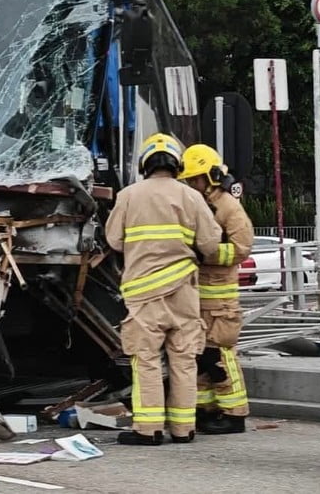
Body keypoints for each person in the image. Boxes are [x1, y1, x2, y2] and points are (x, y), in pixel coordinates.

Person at [106, 133, 224, 446]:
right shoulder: (192, 197)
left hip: (144, 293)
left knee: (145, 360)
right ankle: (184, 430)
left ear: (145, 163)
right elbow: (211, 244)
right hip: (184, 290)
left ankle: (148, 430)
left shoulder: (129, 195)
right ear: (177, 164)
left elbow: (114, 240)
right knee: (184, 359)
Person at [178, 144, 254, 434]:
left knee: (221, 356)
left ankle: (235, 414)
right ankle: (207, 409)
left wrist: (206, 254)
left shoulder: (228, 206)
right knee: (200, 356)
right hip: (197, 295)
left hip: (220, 298)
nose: (192, 185)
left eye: (195, 180)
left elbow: (242, 247)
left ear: (210, 176)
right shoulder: (198, 205)